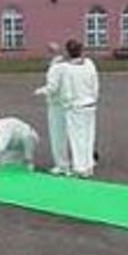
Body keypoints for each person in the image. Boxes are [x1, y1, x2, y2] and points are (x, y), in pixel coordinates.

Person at [48, 39, 99, 177]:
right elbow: (95, 84)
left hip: (75, 106)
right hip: (89, 104)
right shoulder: (89, 64)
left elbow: (56, 87)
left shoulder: (65, 68)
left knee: (78, 138)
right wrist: (94, 98)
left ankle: (80, 168)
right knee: (88, 136)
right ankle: (88, 165)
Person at [33, 42, 71, 175]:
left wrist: (40, 91)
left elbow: (52, 88)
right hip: (70, 102)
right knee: (74, 134)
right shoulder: (69, 65)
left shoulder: (56, 67)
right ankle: (81, 161)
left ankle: (62, 165)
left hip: (57, 104)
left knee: (58, 135)